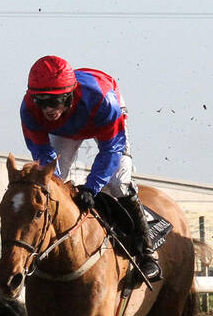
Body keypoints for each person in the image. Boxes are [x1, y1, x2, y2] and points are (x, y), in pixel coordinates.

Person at [20, 55, 164, 282]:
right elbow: (43, 155)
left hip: (100, 115)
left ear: (68, 96)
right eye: (42, 101)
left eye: (54, 101)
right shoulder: (29, 108)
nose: (48, 109)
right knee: (49, 184)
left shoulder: (103, 101)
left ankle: (148, 252)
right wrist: (58, 183)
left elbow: (111, 149)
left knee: (117, 182)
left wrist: (91, 188)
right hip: (69, 128)